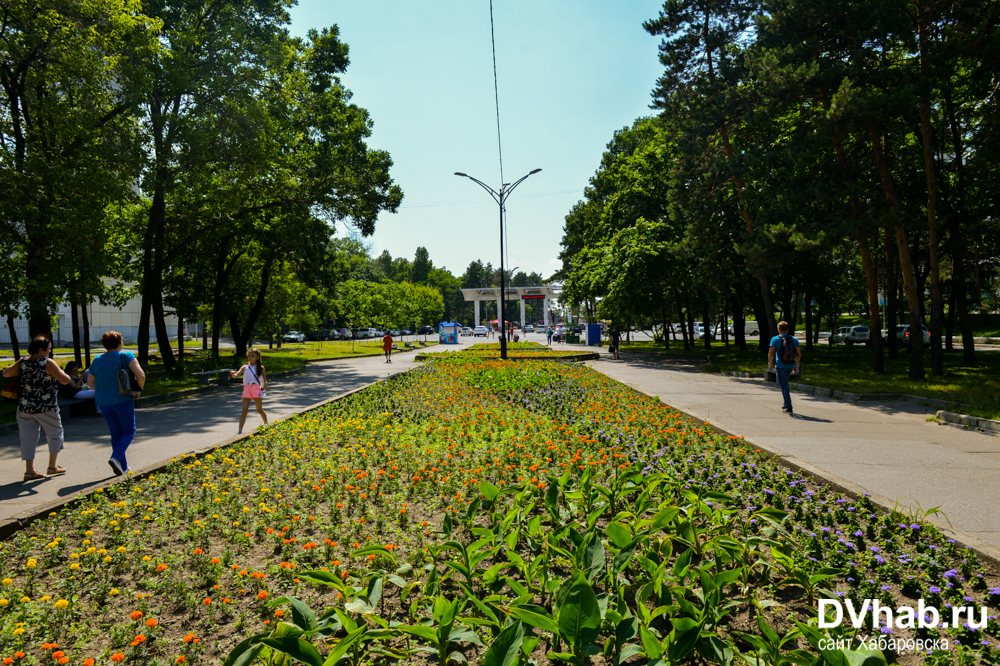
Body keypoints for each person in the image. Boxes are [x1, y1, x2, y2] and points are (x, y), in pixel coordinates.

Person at [2, 336, 73, 481]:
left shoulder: (23, 362)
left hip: (25, 407)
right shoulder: (47, 363)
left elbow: (6, 373)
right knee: (55, 433)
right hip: (45, 406)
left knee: (27, 438)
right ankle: (52, 466)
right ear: (41, 350)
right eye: (49, 349)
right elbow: (65, 380)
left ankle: (29, 471)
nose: (49, 351)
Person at [87, 330, 146, 475]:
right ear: (120, 342)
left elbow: (90, 383)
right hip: (122, 399)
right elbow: (141, 375)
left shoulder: (97, 360)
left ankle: (123, 467)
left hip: (102, 402)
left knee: (116, 433)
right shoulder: (126, 356)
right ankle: (115, 457)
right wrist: (138, 390)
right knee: (128, 431)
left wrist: (103, 391)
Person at [230, 348, 268, 434]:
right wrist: (233, 374)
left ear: (257, 357)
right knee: (244, 410)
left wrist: (264, 388)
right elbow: (236, 375)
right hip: (247, 388)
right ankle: (240, 431)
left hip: (256, 388)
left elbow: (265, 380)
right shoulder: (245, 367)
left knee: (259, 410)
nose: (250, 357)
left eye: (252, 356)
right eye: (249, 356)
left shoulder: (261, 368)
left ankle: (266, 424)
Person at [768, 320, 802, 414]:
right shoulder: (794, 339)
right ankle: (786, 403)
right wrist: (796, 365)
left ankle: (789, 406)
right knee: (785, 384)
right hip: (791, 365)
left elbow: (771, 352)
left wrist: (770, 363)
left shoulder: (775, 339)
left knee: (784, 386)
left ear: (778, 329)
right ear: (788, 329)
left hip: (781, 365)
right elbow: (799, 353)